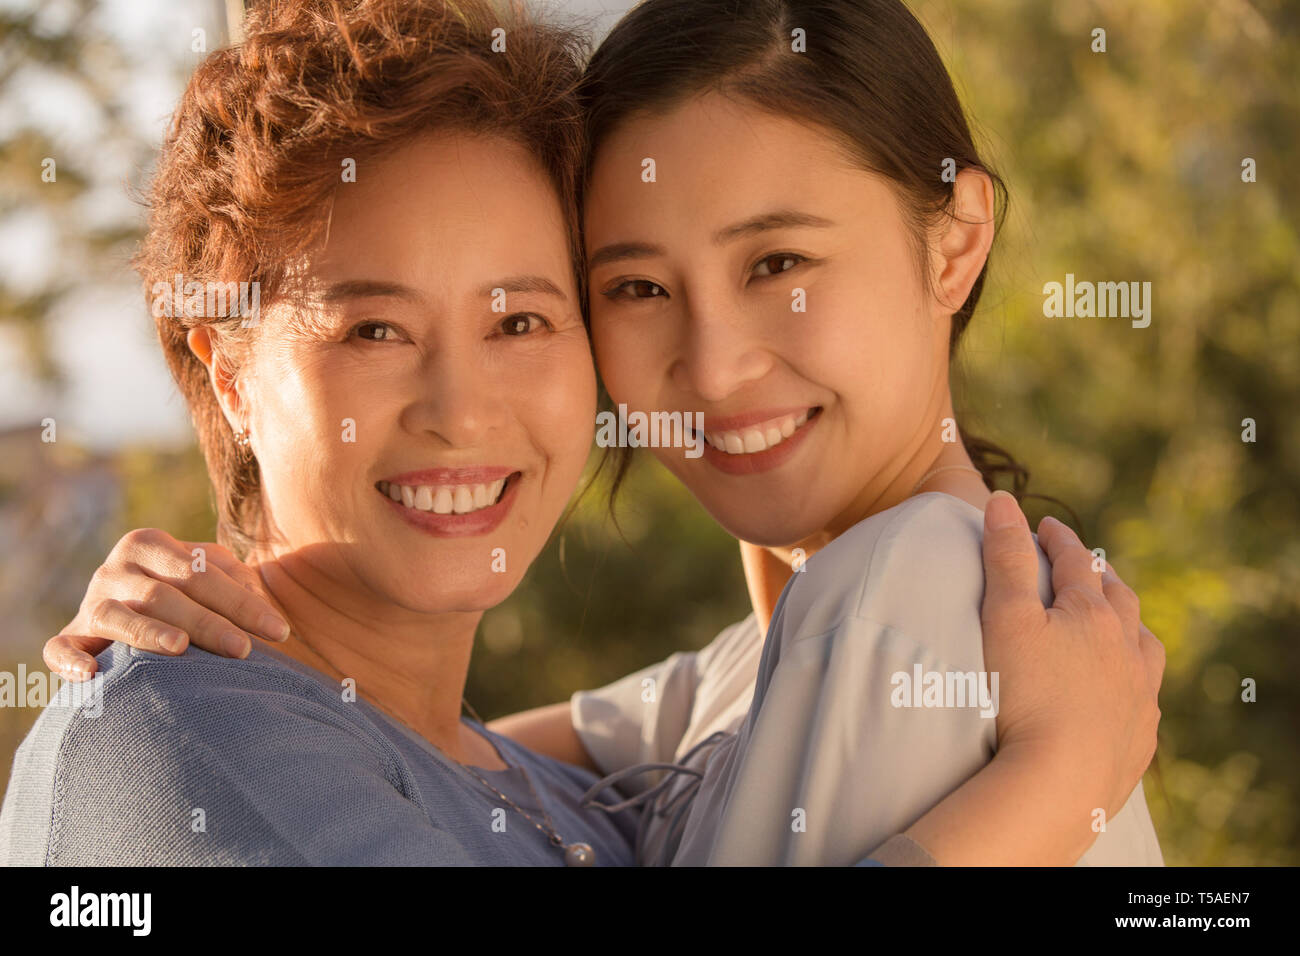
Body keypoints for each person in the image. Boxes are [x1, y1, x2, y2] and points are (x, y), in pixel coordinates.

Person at [27, 0, 1163, 866]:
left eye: (520, 317)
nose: (461, 408)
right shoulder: (188, 737)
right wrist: (1054, 785)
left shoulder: (898, 605)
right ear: (228, 369)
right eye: (372, 327)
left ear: (957, 237)